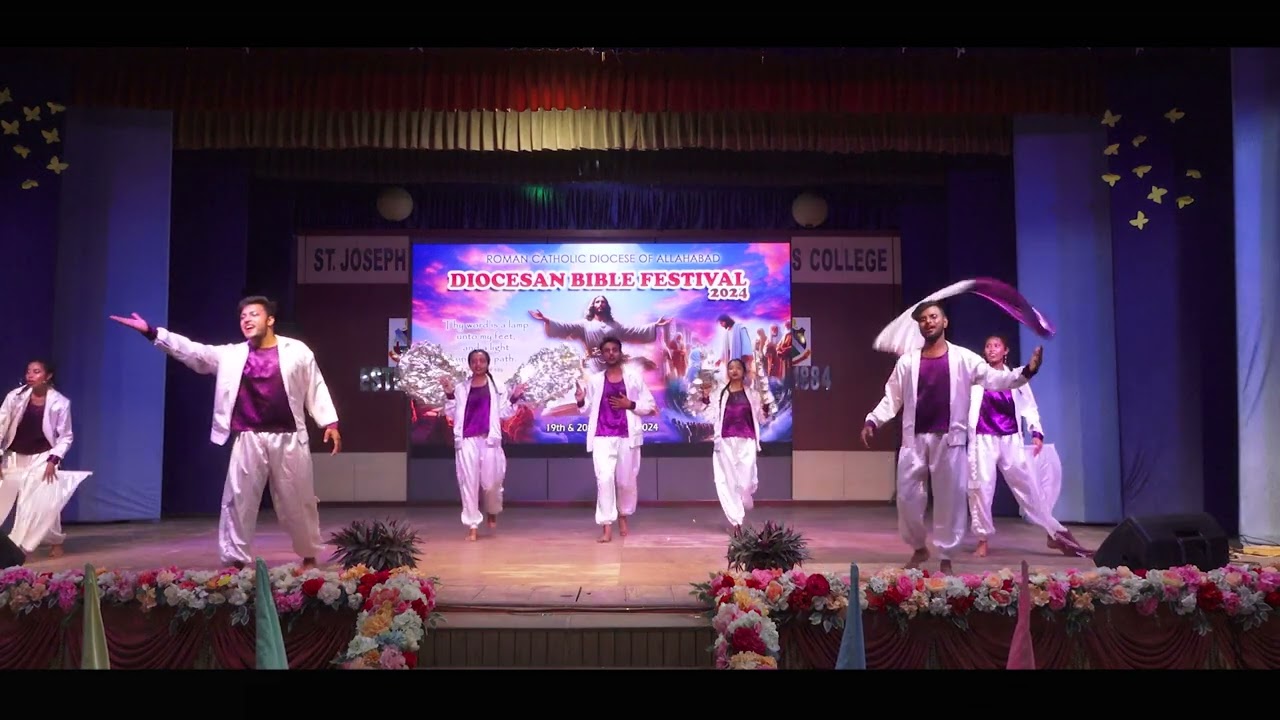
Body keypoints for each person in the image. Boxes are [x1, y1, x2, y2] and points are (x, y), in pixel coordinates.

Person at [109, 296, 341, 570]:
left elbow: (315, 384)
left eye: (253, 314)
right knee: (238, 499)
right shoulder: (231, 355)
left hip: (288, 436)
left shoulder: (296, 351)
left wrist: (330, 423)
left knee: (298, 499)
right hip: (248, 436)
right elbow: (193, 352)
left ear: (270, 319)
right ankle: (235, 559)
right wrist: (152, 332)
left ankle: (309, 554)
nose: (247, 320)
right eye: (242, 317)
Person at [861, 301, 1043, 575]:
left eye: (933, 317)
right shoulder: (908, 362)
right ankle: (919, 547)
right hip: (915, 441)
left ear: (944, 322)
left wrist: (1026, 371)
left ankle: (946, 556)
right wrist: (873, 419)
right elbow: (892, 397)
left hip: (950, 441)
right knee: (908, 500)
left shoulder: (964, 359)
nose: (928, 322)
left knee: (950, 502)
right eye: (923, 319)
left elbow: (995, 380)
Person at [967, 335, 1090, 558]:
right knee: (981, 488)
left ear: (1005, 350)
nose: (991, 349)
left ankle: (1054, 533)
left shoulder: (1016, 379)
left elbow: (1029, 407)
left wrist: (1036, 431)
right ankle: (982, 539)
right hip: (983, 438)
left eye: (996, 346)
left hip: (1010, 438)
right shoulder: (977, 378)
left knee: (1028, 488)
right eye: (988, 346)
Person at [575, 336, 657, 543]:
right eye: (607, 350)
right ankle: (606, 525)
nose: (610, 353)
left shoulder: (633, 378)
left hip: (626, 437)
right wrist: (580, 400)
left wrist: (629, 404)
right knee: (604, 479)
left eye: (614, 350)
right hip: (602, 436)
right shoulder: (595, 381)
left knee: (625, 481)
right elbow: (587, 410)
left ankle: (623, 514)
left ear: (619, 353)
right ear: (602, 355)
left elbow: (648, 405)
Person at [441, 349, 526, 541]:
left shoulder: (497, 387)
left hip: (489, 441)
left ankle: (492, 510)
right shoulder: (461, 388)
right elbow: (453, 413)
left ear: (488, 363)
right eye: (474, 361)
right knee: (468, 484)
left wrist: (514, 397)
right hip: (467, 441)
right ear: (469, 364)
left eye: (482, 360)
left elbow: (504, 412)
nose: (478, 364)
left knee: (491, 484)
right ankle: (472, 525)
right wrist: (448, 394)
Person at [0, 360, 74, 557]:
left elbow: (65, 436)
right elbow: (1, 425)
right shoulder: (14, 397)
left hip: (43, 456)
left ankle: (50, 541)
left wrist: (53, 459)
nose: (30, 376)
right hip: (14, 455)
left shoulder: (60, 403)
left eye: (36, 372)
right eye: (28, 372)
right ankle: (13, 544)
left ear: (48, 376)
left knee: (44, 501)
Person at [697, 358, 769, 531]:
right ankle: (736, 520)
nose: (734, 371)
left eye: (738, 368)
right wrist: (705, 399)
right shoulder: (720, 393)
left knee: (746, 482)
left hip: (747, 440)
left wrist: (765, 409)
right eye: (731, 368)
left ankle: (745, 497)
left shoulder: (752, 394)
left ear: (744, 372)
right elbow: (709, 415)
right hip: (726, 441)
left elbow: (761, 418)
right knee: (728, 481)